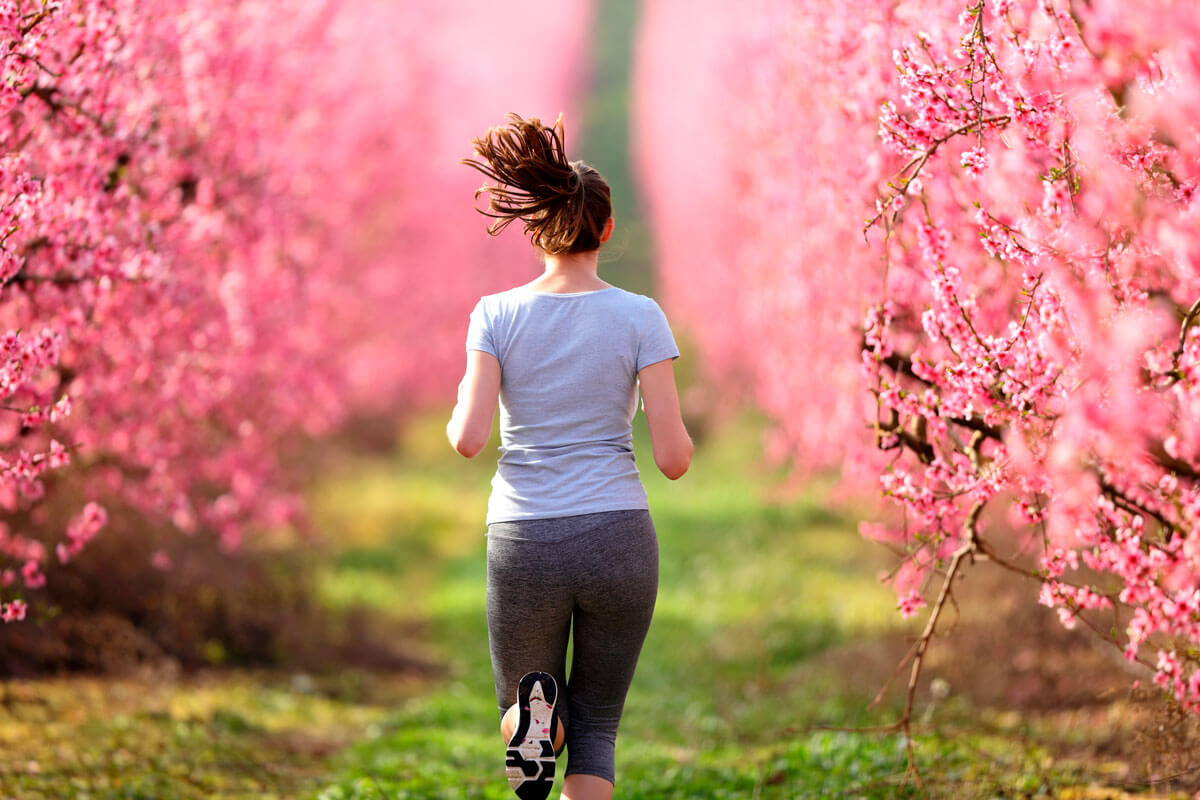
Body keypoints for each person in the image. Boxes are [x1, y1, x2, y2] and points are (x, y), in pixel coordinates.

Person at [446, 113, 692, 800]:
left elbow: (468, 439)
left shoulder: (495, 315)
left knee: (526, 708)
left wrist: (468, 394)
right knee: (599, 726)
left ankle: (532, 722)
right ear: (606, 230)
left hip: (525, 534)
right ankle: (554, 728)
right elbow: (673, 458)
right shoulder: (641, 316)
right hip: (618, 533)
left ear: (536, 228)